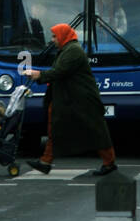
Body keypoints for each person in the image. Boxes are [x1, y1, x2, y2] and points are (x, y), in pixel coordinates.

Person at [22, 23, 116, 176]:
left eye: (54, 36)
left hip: (81, 99)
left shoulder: (73, 51)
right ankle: (45, 161)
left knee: (97, 131)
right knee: (55, 127)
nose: (52, 40)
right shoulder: (66, 50)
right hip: (70, 98)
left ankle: (109, 163)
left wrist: (39, 75)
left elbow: (60, 71)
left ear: (63, 35)